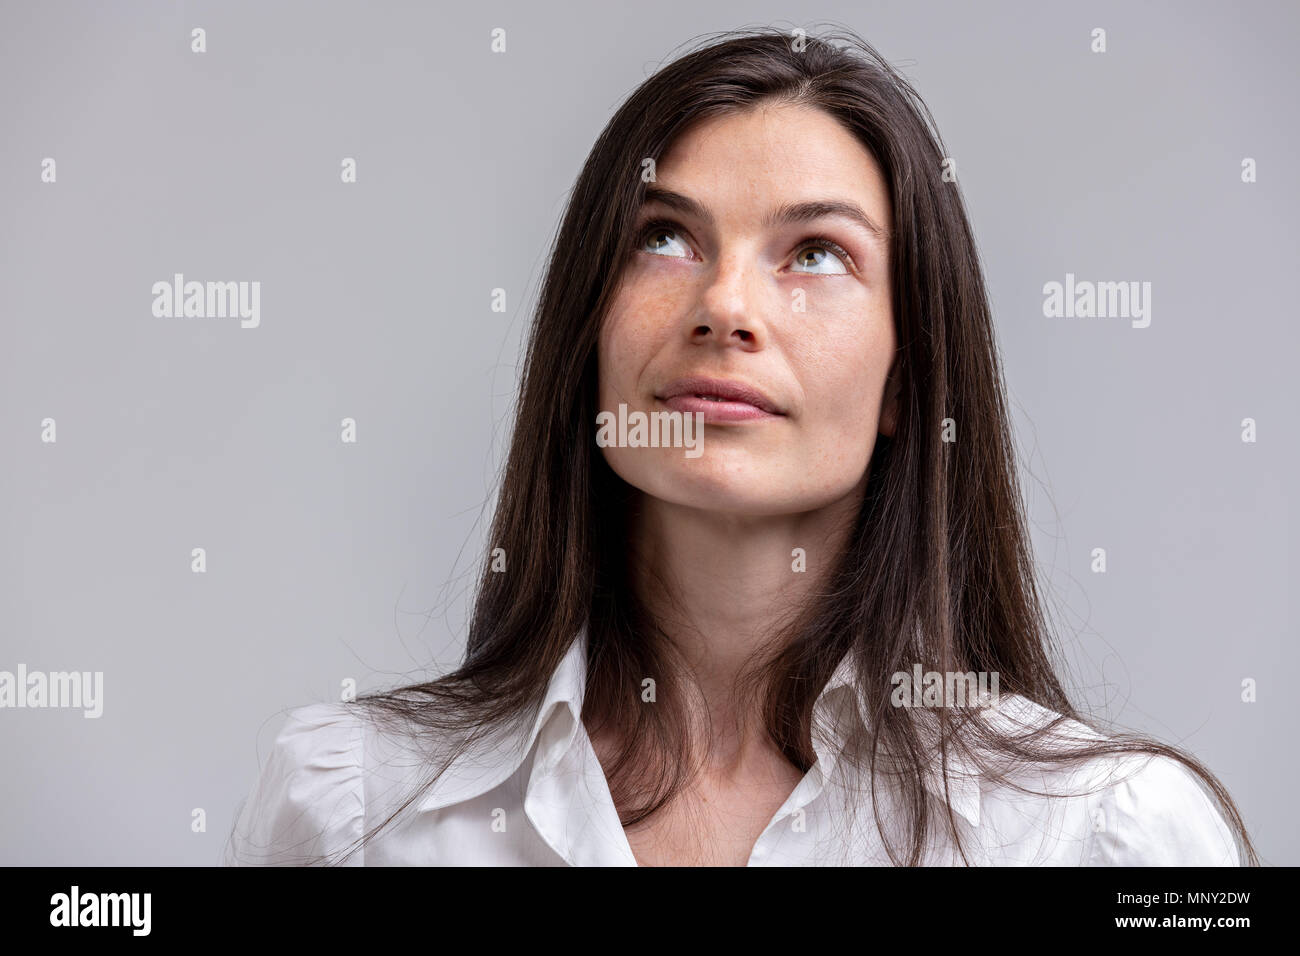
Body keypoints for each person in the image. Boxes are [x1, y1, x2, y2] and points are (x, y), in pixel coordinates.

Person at [225, 26, 1255, 867]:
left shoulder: (1111, 838)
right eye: (664, 236)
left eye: (815, 253)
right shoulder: (351, 805)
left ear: (907, 379)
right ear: (587, 325)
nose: (724, 305)